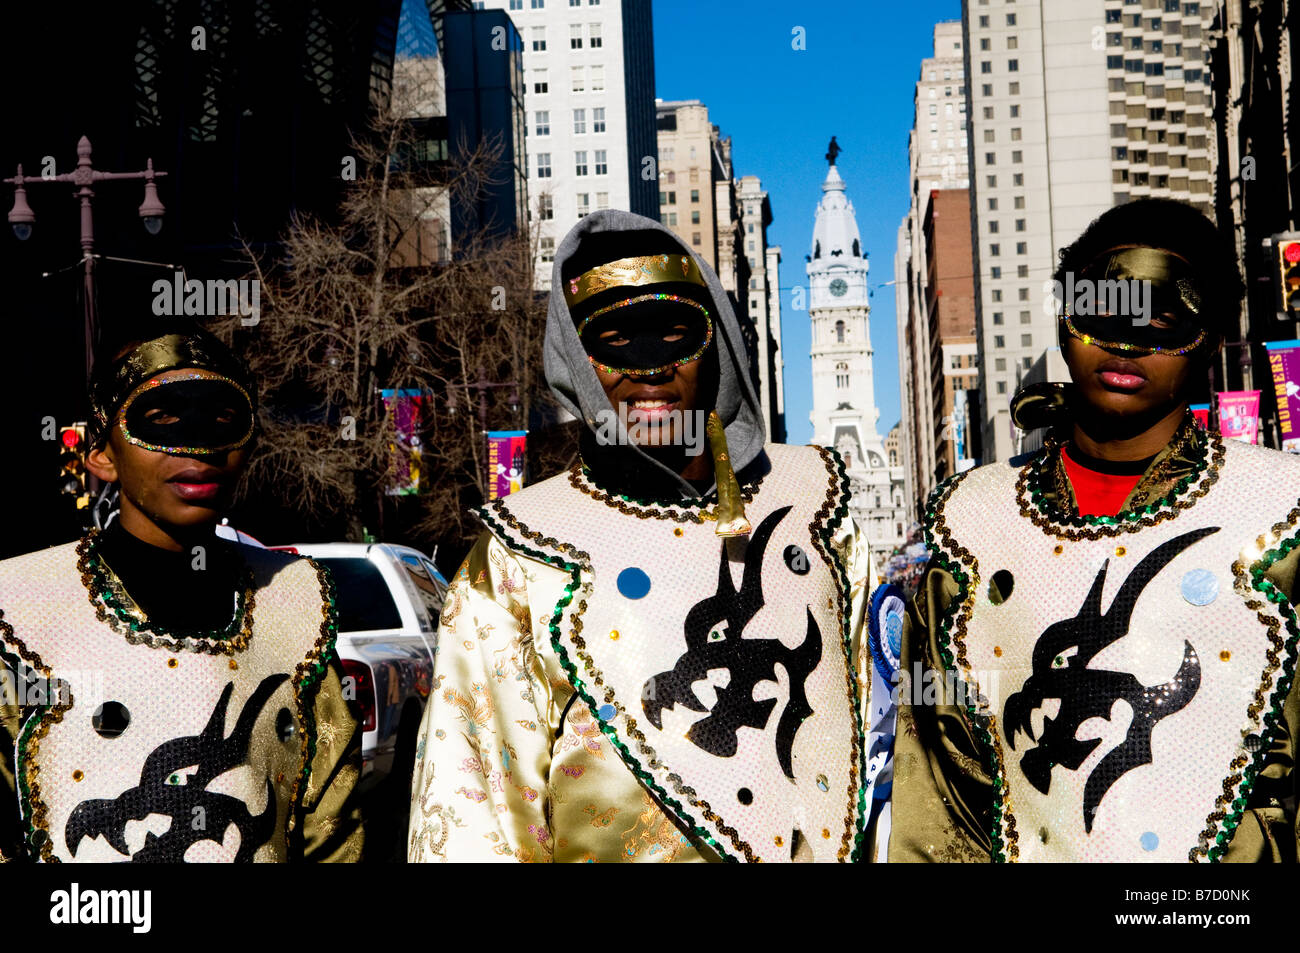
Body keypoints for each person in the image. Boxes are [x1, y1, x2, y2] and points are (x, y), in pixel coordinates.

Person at [408, 210, 886, 863]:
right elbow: (475, 820)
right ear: (576, 358)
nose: (650, 369)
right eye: (615, 339)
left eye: (673, 333)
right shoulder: (521, 559)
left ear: (714, 342)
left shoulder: (817, 513)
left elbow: (888, 763)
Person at [890, 197, 1300, 862]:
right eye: (1102, 310)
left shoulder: (1281, 514)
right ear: (1064, 316)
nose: (1126, 344)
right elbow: (939, 785)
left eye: (1163, 320)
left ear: (1213, 337)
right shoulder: (973, 525)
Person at [0, 323, 364, 862]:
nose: (199, 449)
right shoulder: (23, 611)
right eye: (162, 418)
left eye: (223, 419)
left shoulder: (294, 607)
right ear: (101, 453)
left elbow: (331, 829)